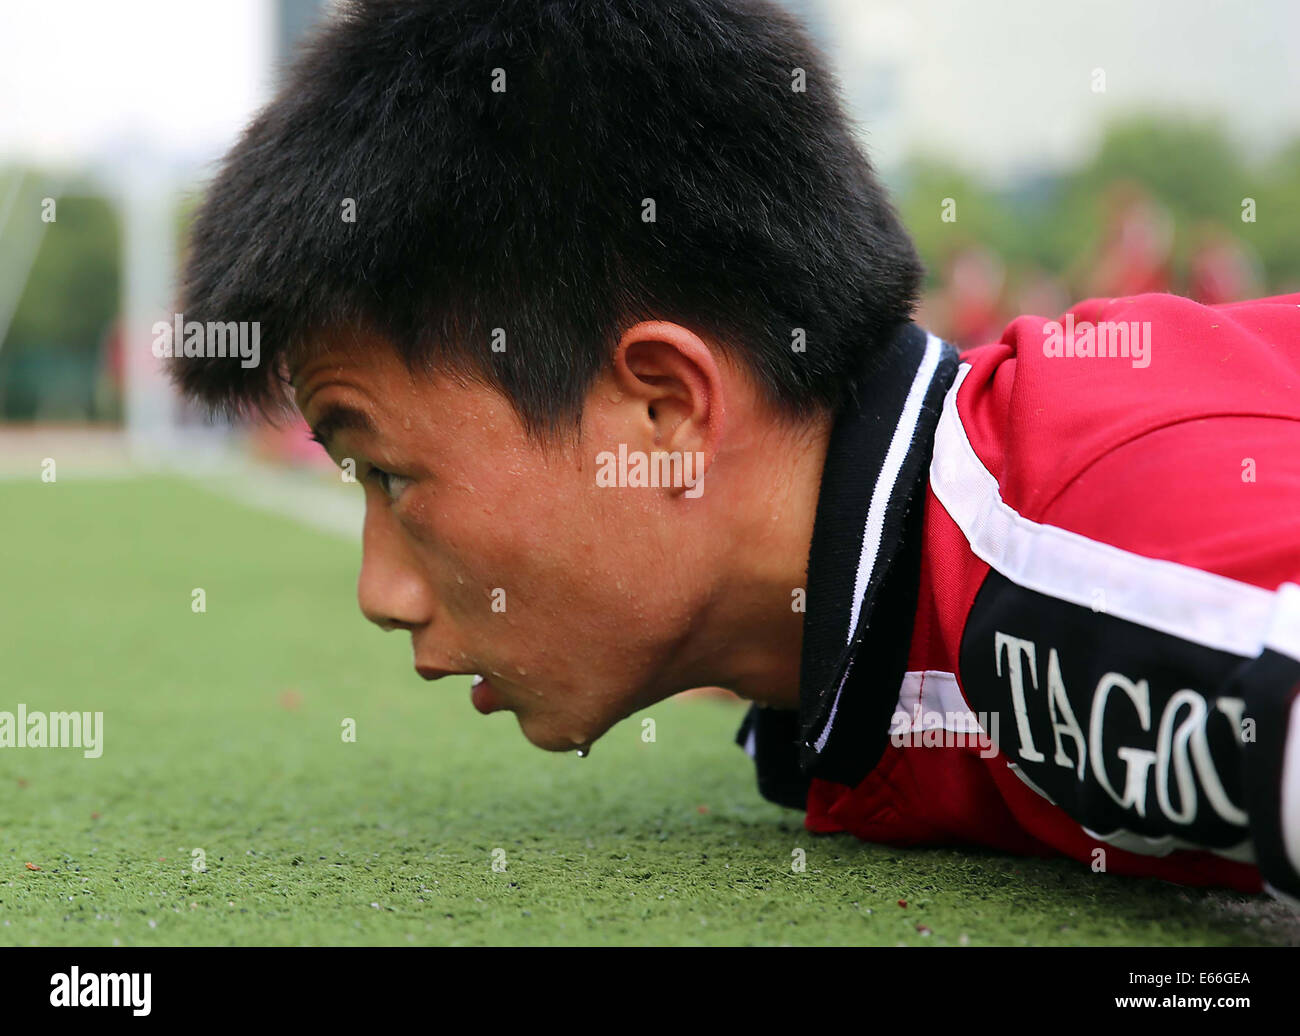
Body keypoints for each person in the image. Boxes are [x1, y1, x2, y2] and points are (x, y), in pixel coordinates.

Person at [170, 0, 1300, 902]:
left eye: (390, 473)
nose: (382, 589)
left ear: (662, 413)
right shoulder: (874, 637)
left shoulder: (1068, 560)